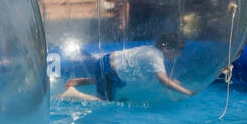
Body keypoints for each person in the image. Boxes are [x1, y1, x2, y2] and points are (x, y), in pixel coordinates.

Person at [60, 31, 192, 101]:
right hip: (108, 70)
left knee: (121, 89)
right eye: (177, 51)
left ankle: (84, 82)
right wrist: (188, 93)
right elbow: (163, 81)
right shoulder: (155, 57)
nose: (178, 55)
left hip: (106, 63)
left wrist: (170, 82)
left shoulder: (150, 50)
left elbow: (159, 78)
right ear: (167, 48)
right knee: (104, 102)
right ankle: (73, 94)